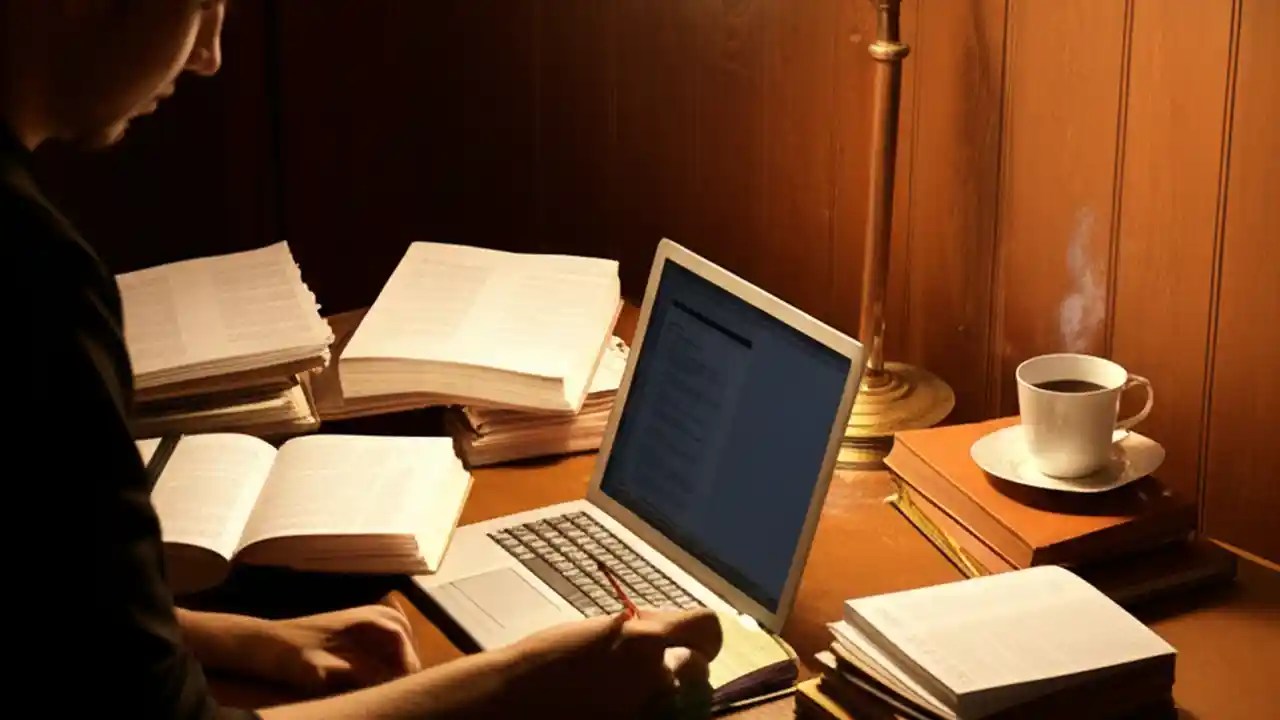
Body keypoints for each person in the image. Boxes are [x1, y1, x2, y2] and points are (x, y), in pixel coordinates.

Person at [6, 2, 721, 718]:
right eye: (203, 5)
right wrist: (522, 682)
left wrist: (236, 640)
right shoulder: (35, 280)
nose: (209, 55)